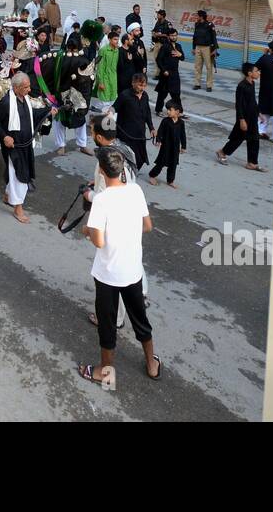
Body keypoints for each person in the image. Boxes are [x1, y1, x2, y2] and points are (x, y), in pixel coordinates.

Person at [78, 148, 160, 384]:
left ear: (102, 172)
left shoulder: (102, 200)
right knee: (139, 318)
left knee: (107, 323)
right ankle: (151, 364)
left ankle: (105, 372)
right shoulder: (135, 190)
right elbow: (147, 226)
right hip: (132, 270)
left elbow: (99, 240)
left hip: (107, 274)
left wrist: (86, 230)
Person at [0, 73, 56, 224]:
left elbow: (32, 115)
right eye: (26, 87)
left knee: (18, 171)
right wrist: (4, 136)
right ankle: (18, 208)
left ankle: (8, 195)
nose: (29, 89)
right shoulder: (6, 102)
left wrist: (48, 111)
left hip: (26, 144)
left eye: (28, 86)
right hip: (14, 146)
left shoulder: (24, 98)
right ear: (16, 88)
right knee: (18, 174)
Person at [216, 62, 265, 171]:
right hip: (244, 118)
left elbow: (253, 101)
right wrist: (241, 120)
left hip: (252, 117)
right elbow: (238, 105)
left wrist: (259, 113)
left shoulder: (252, 83)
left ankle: (252, 163)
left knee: (254, 139)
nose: (259, 73)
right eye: (256, 71)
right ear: (249, 73)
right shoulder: (242, 86)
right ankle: (222, 152)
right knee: (237, 139)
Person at [113, 73, 154, 170]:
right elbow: (115, 107)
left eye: (144, 85)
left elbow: (147, 112)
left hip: (140, 134)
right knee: (124, 157)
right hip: (126, 134)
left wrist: (151, 128)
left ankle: (131, 174)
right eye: (140, 85)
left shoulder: (145, 96)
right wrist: (109, 112)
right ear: (133, 83)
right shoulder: (124, 95)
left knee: (139, 158)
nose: (142, 88)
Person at [148, 101, 183, 188]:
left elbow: (183, 135)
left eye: (170, 110)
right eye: (167, 110)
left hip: (175, 148)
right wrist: (158, 140)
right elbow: (160, 132)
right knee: (161, 162)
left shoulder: (181, 123)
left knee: (173, 164)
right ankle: (152, 175)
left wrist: (184, 146)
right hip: (166, 147)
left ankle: (170, 180)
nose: (167, 112)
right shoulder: (165, 121)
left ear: (177, 112)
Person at [254, 39, 273, 142]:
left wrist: (264, 55)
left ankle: (260, 131)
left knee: (264, 110)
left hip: (266, 89)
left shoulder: (265, 59)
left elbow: (255, 68)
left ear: (270, 49)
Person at [153, 31, 185, 121]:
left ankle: (179, 111)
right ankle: (158, 110)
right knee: (162, 94)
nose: (174, 37)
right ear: (168, 36)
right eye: (172, 35)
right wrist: (164, 70)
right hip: (166, 74)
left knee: (176, 94)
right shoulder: (165, 46)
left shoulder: (178, 46)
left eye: (175, 35)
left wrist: (180, 54)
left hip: (175, 74)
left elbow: (182, 58)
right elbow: (159, 59)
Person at [191, 9, 219, 91]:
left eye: (197, 15)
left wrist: (215, 49)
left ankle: (209, 86)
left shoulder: (210, 25)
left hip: (207, 48)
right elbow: (194, 37)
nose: (196, 17)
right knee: (197, 67)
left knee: (209, 67)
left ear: (201, 16)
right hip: (198, 47)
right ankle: (197, 84)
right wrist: (193, 48)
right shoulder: (197, 24)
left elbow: (214, 37)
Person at [95, 31, 121, 104]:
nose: (117, 41)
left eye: (117, 39)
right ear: (109, 39)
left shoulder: (117, 51)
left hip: (114, 79)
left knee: (112, 101)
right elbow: (100, 67)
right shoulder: (103, 50)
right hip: (105, 79)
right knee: (104, 101)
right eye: (115, 39)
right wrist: (101, 82)